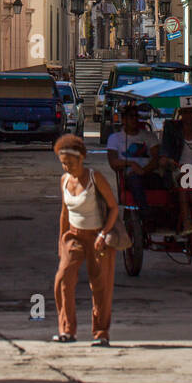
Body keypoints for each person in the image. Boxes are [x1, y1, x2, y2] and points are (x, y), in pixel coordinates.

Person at [52, 134, 117, 347]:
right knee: (63, 279)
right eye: (63, 164)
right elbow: (64, 213)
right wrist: (62, 241)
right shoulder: (63, 181)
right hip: (74, 236)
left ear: (81, 159)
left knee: (100, 285)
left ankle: (101, 333)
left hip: (98, 236)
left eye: (70, 163)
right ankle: (67, 330)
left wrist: (103, 234)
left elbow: (113, 208)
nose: (67, 168)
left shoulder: (94, 177)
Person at [107, 106, 161, 216]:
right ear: (124, 119)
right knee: (135, 179)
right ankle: (145, 214)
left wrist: (144, 170)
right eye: (131, 116)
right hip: (131, 176)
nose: (134, 119)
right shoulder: (115, 138)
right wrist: (131, 164)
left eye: (136, 116)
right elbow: (113, 161)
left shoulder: (149, 136)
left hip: (149, 173)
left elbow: (156, 158)